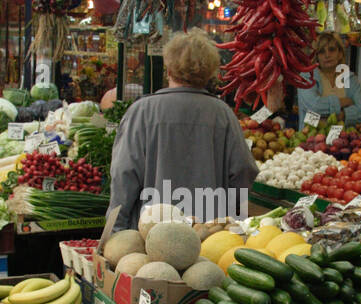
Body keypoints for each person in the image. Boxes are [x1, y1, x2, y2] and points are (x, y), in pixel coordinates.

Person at [109, 30, 257, 231]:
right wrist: (227, 213)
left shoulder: (143, 111)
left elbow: (123, 174)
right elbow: (244, 169)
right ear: (209, 72)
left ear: (168, 69)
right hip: (208, 233)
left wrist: (116, 229)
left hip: (151, 234)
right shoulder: (223, 114)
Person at [296, 31, 361, 125]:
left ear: (340, 54)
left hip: (344, 138)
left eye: (332, 49)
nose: (327, 55)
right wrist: (344, 102)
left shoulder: (349, 79)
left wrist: (342, 115)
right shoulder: (307, 77)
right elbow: (314, 106)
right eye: (321, 52)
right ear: (316, 57)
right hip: (311, 137)